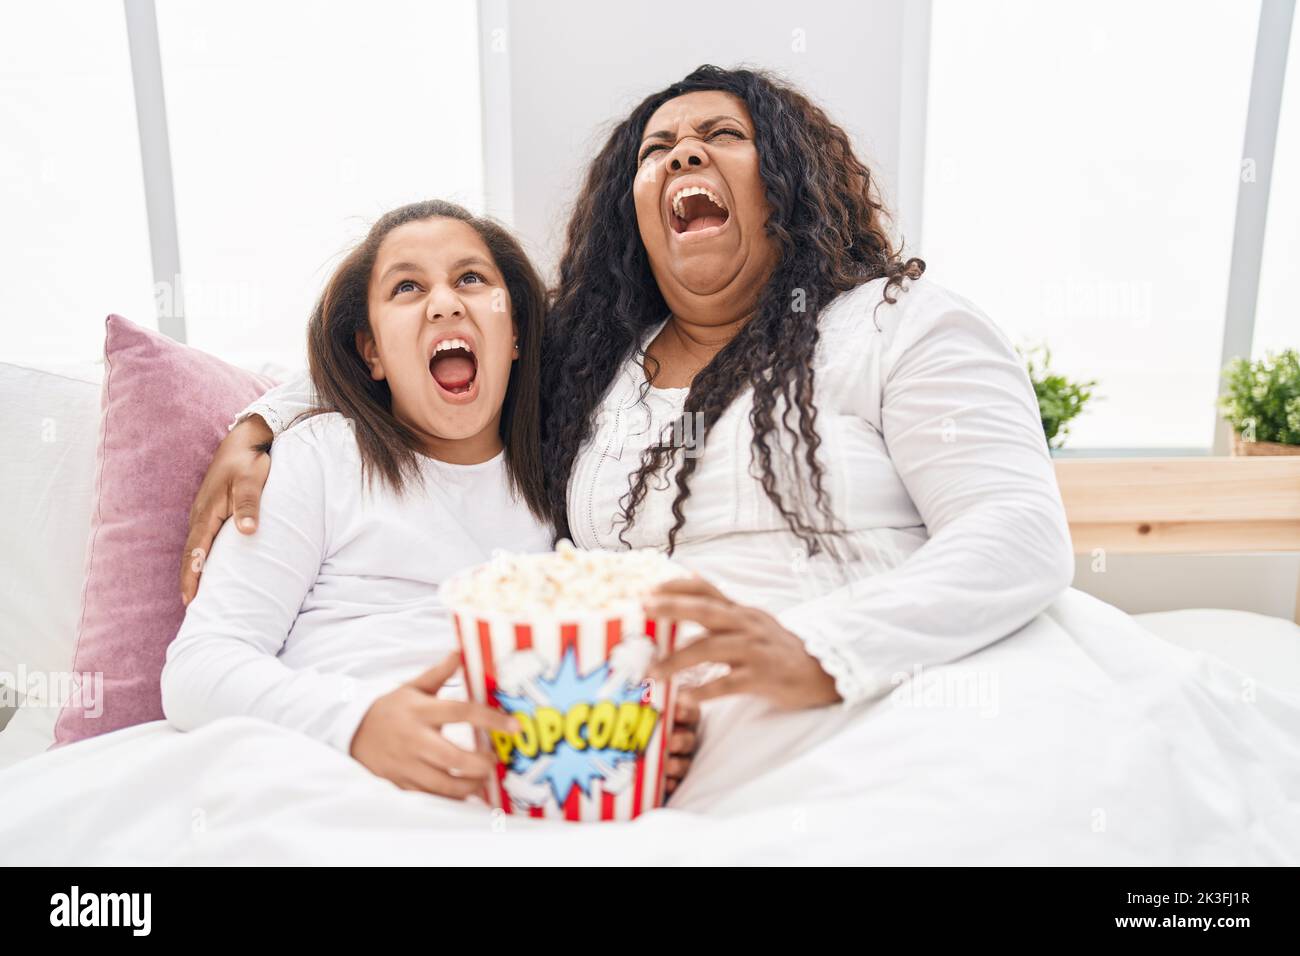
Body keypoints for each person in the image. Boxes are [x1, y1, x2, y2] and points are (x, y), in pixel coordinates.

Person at [163, 199, 700, 799]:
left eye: (471, 278)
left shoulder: (571, 485)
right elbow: (197, 669)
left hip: (508, 792)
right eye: (407, 287)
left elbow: (581, 676)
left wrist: (640, 721)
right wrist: (359, 721)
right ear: (371, 352)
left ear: (516, 332)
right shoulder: (320, 457)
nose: (445, 302)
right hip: (339, 779)